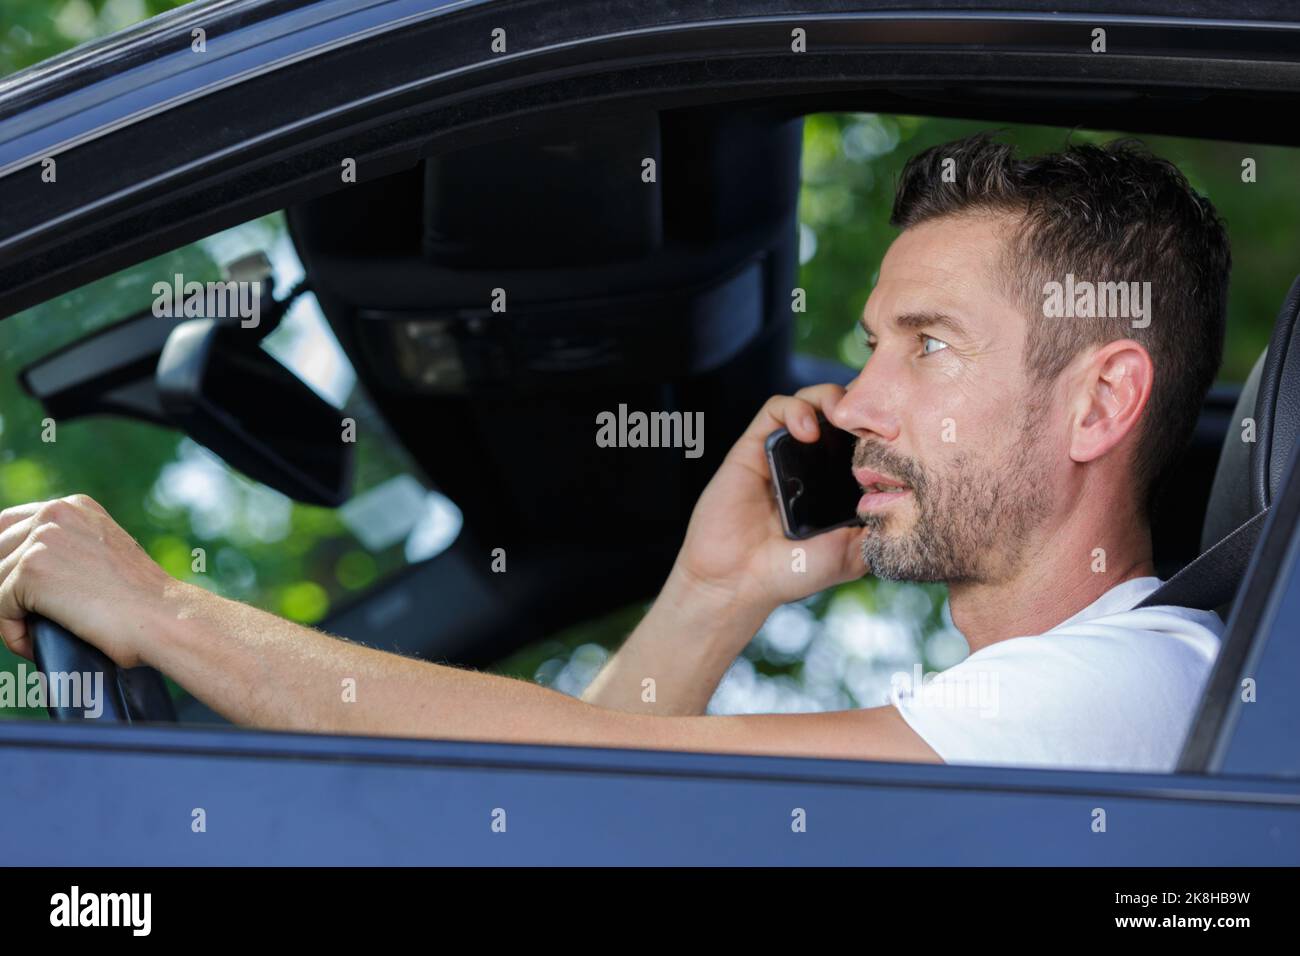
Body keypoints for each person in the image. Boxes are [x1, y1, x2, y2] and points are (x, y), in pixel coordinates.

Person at [0, 133, 1230, 772]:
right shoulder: (1036, 713)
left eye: (930, 345)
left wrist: (161, 609)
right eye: (870, 346)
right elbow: (573, 810)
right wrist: (711, 590)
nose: (857, 401)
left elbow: (596, 769)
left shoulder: (1129, 685)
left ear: (1098, 403)